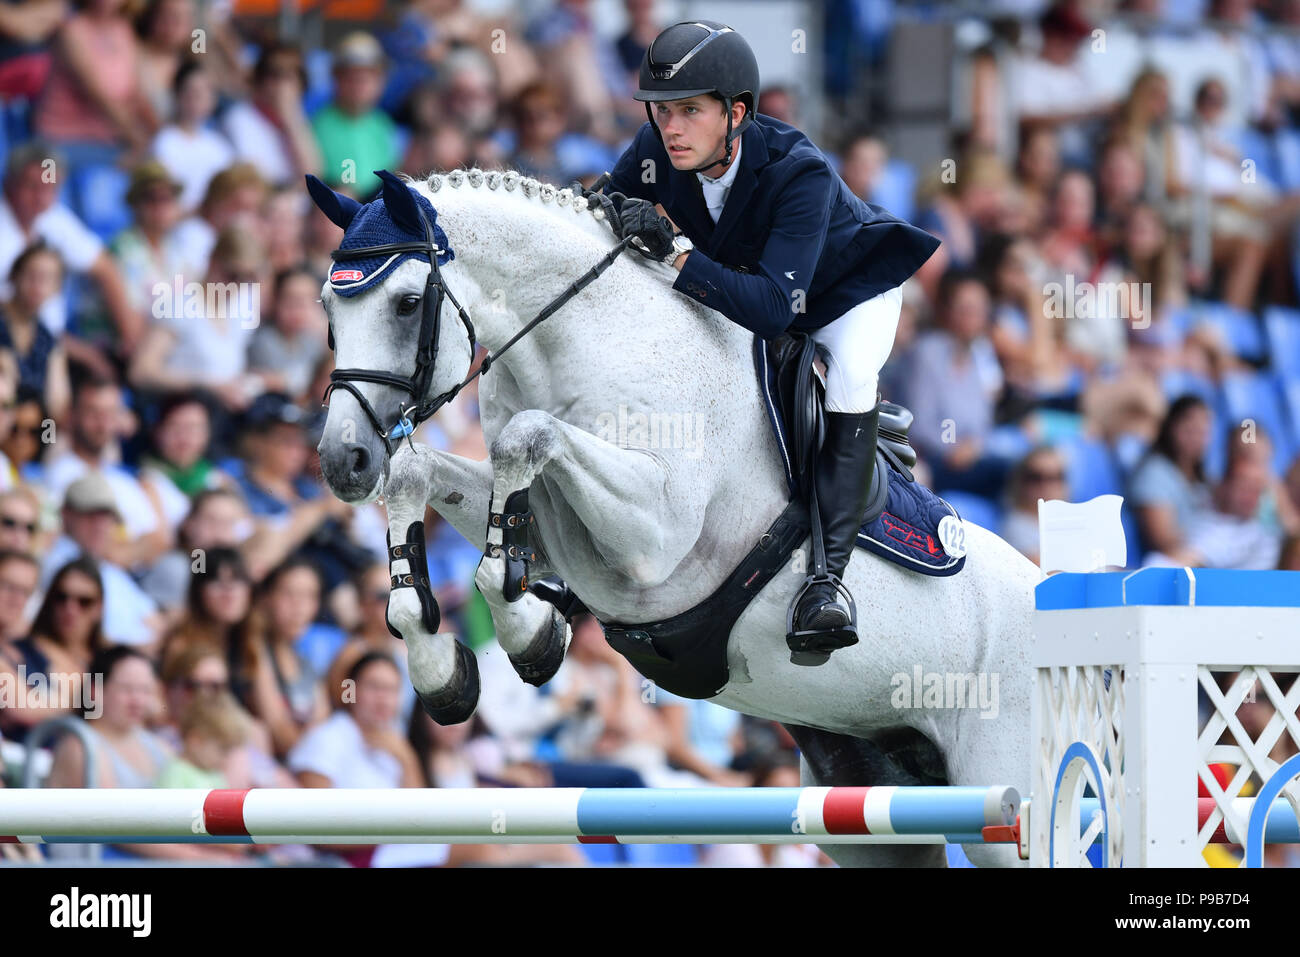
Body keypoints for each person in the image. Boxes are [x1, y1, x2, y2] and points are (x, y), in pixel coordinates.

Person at [600, 20, 939, 658]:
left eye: (689, 112)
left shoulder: (799, 171)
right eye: (662, 110)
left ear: (736, 113)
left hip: (843, 296)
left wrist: (672, 250)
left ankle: (828, 582)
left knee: (846, 377)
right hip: (751, 287)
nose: (670, 127)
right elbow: (597, 212)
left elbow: (776, 311)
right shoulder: (655, 149)